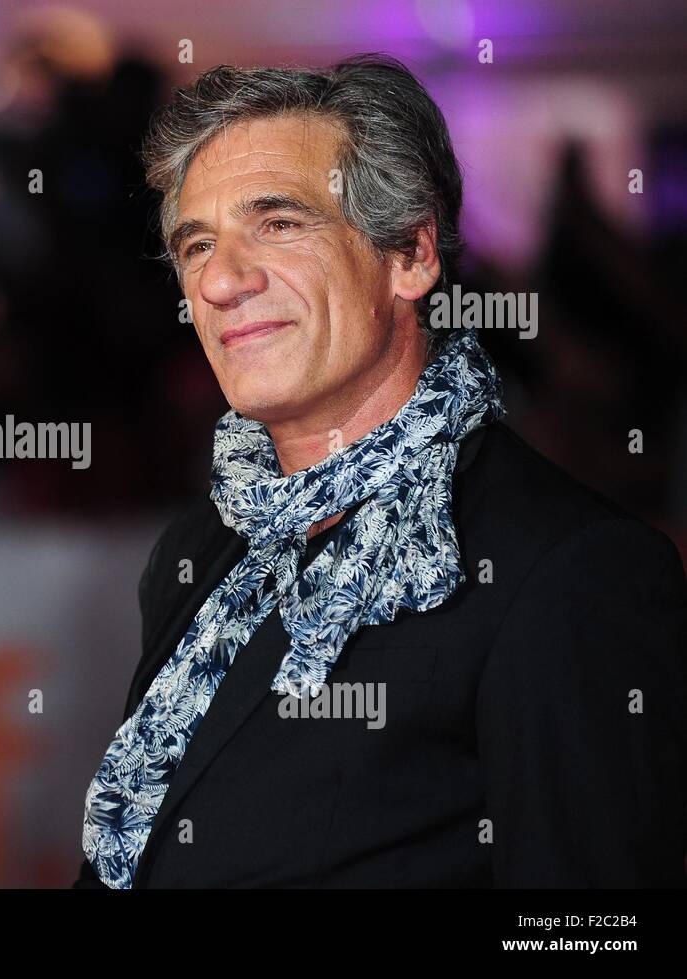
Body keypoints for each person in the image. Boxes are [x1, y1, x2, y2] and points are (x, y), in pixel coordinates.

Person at [74, 55, 687, 888]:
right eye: (198, 243)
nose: (220, 280)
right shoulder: (201, 547)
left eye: (279, 223)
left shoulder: (567, 572)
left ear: (411, 253)